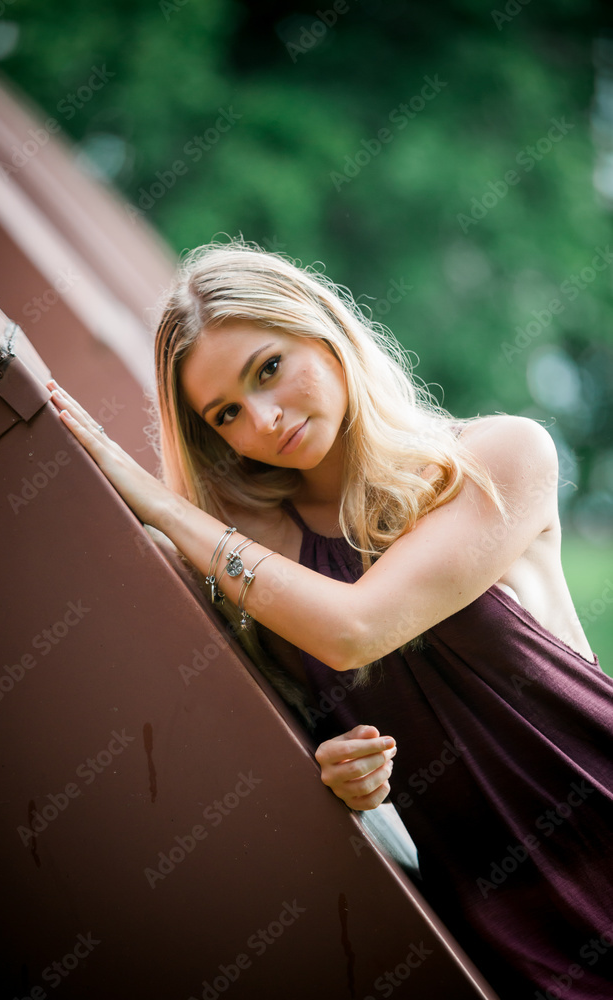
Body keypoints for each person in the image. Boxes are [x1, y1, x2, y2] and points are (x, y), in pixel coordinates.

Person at [46, 238, 613, 999]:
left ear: (320, 326)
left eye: (269, 368)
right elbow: (318, 731)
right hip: (509, 928)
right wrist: (344, 772)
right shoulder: (260, 576)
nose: (265, 418)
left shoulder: (496, 458)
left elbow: (356, 629)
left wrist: (156, 504)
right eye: (226, 413)